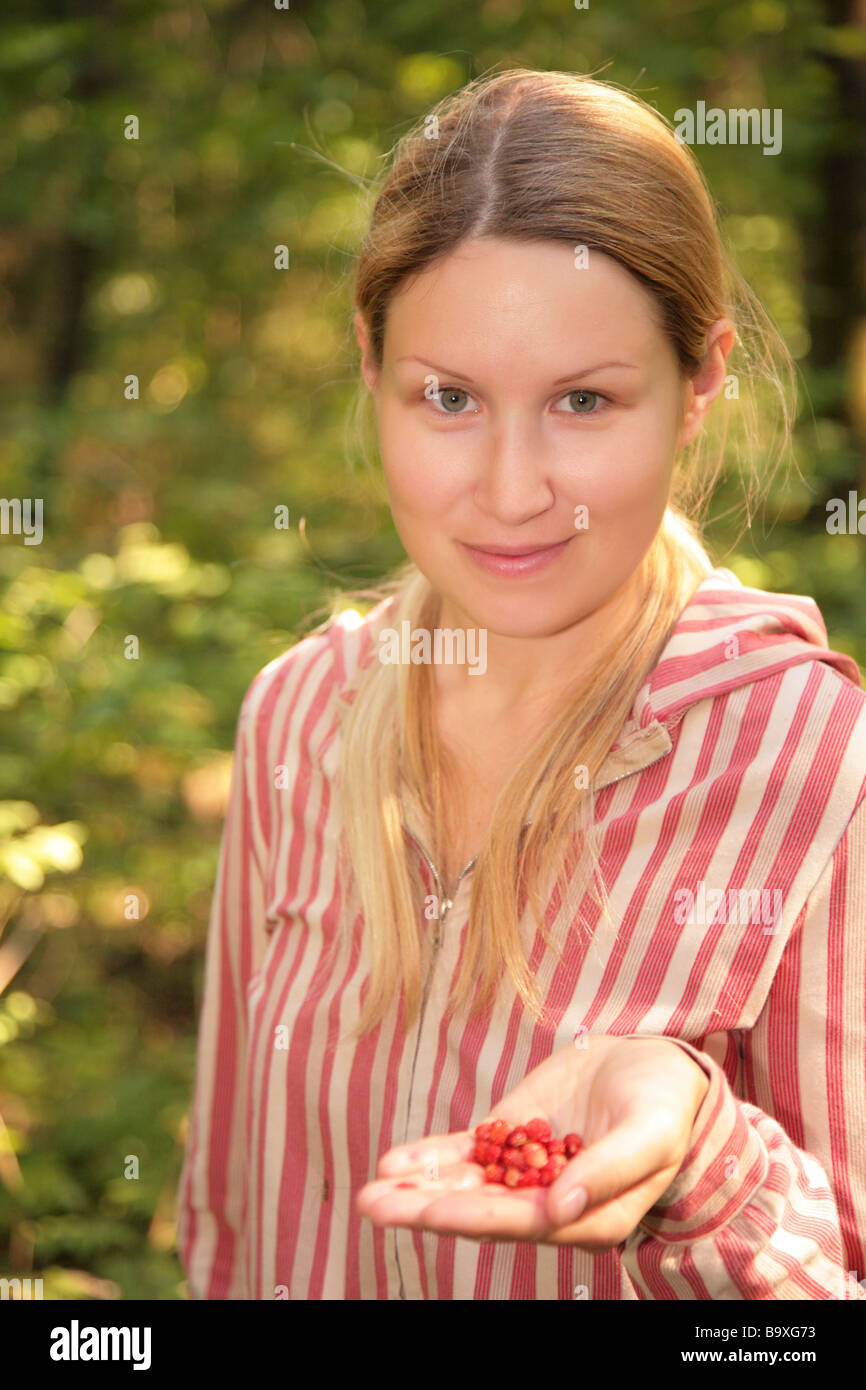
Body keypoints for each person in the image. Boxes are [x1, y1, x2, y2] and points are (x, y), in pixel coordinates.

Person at [175, 68, 866, 1300]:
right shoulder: (296, 715)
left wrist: (698, 1156)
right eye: (448, 397)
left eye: (582, 401)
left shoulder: (815, 761)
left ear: (700, 382)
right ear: (370, 367)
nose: (507, 491)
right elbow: (228, 1224)